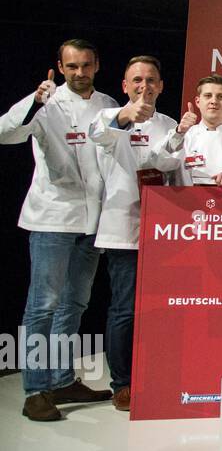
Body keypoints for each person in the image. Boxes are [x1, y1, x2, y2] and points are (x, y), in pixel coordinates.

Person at [1, 40, 116, 421]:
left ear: (96, 65)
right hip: (52, 218)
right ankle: (36, 389)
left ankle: (62, 379)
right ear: (60, 67)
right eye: (72, 66)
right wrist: (34, 101)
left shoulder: (107, 105)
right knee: (42, 305)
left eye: (86, 65)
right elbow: (6, 133)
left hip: (92, 221)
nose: (80, 73)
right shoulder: (45, 101)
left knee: (74, 304)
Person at [88, 55, 183, 411]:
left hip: (164, 232)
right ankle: (123, 384)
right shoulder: (109, 119)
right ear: (125, 86)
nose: (144, 86)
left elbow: (174, 171)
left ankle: (156, 374)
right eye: (137, 80)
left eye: (151, 80)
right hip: (123, 228)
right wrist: (126, 116)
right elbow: (98, 135)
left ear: (161, 85)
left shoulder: (170, 124)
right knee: (125, 309)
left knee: (160, 310)